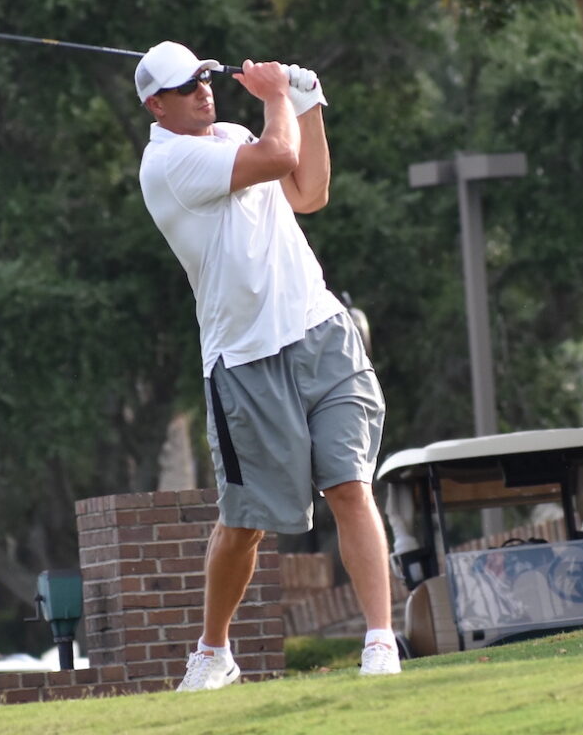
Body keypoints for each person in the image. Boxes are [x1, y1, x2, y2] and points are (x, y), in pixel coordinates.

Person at [134, 41, 401, 691]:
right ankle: (213, 650)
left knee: (349, 487)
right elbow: (278, 156)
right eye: (184, 86)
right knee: (245, 525)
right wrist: (280, 96)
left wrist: (308, 105)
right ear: (154, 104)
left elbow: (308, 192)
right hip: (245, 364)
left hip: (320, 331)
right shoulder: (169, 164)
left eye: (204, 77)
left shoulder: (228, 132)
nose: (203, 89)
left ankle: (380, 642)